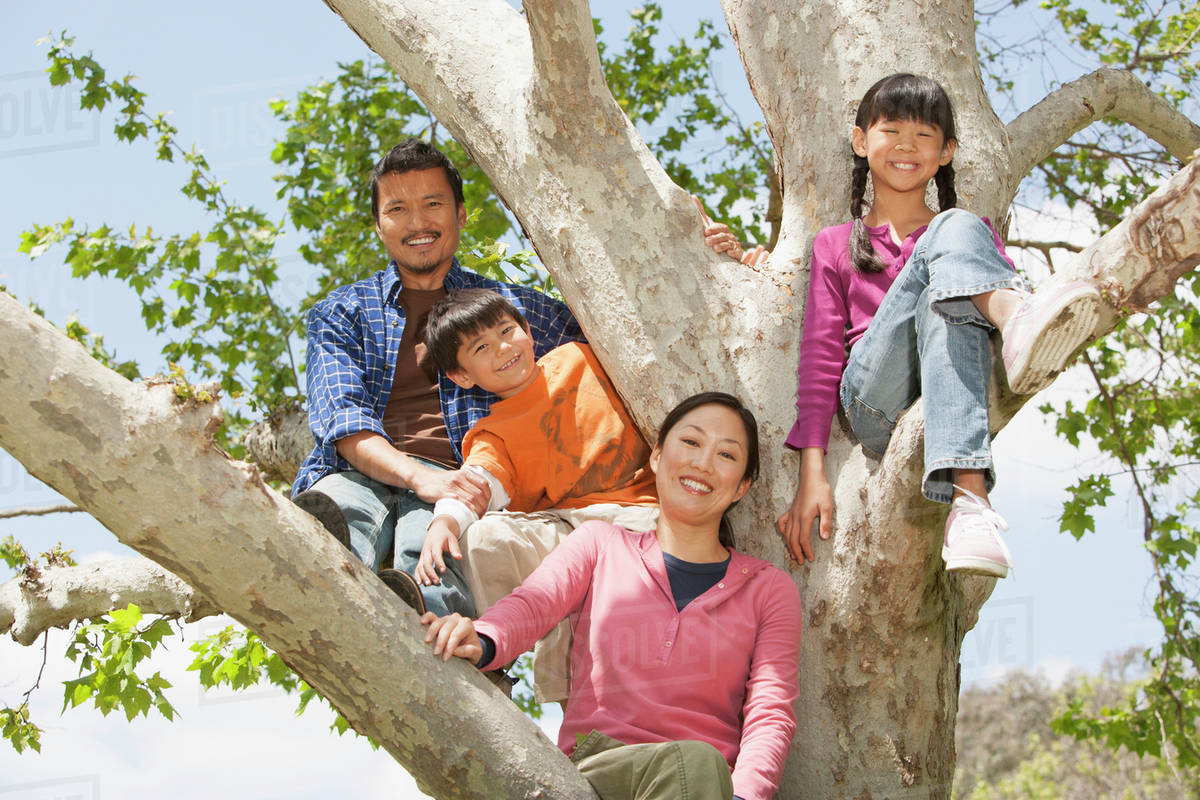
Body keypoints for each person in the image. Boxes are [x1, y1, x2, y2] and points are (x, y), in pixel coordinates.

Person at [775, 73, 1102, 576]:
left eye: (925, 135)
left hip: (950, 386)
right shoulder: (835, 243)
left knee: (944, 291)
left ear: (946, 151)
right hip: (872, 397)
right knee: (954, 226)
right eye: (891, 131)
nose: (907, 145)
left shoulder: (971, 237)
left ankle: (970, 508)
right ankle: (1018, 314)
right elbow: (820, 358)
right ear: (861, 141)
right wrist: (811, 474)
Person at [423, 393, 802, 800]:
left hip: (707, 785)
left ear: (742, 486)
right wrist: (480, 639)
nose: (703, 463)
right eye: (691, 442)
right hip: (595, 774)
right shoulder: (600, 544)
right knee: (695, 760)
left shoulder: (768, 589)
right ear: (657, 455)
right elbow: (534, 603)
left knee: (699, 763)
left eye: (726, 455)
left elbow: (770, 713)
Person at [292, 139, 583, 616]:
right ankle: (315, 578)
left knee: (426, 557)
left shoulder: (511, 308)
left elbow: (616, 336)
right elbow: (342, 419)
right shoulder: (340, 312)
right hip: (357, 470)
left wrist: (712, 253)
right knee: (339, 510)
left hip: (461, 478)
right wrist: (418, 477)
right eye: (398, 209)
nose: (417, 223)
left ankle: (429, 627)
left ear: (461, 215)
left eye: (433, 204)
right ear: (380, 225)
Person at [413, 287, 660, 702]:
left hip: (638, 514)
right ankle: (563, 698)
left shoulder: (580, 357)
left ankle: (605, 691)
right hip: (566, 530)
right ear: (462, 375)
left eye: (508, 331)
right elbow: (477, 482)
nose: (503, 348)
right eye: (481, 347)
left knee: (607, 589)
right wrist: (445, 522)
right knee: (486, 539)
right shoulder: (492, 433)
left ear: (528, 329)